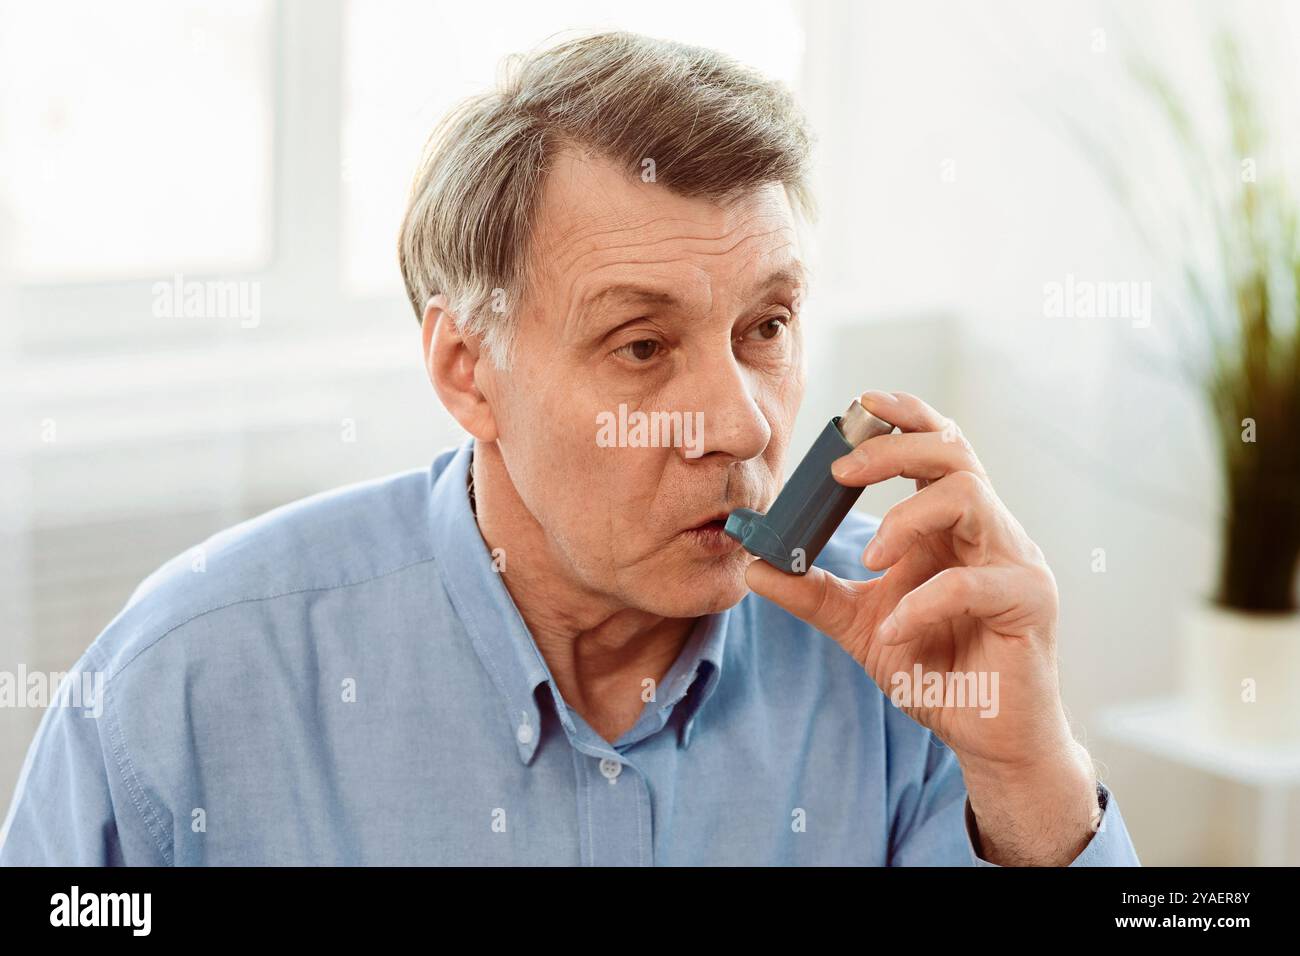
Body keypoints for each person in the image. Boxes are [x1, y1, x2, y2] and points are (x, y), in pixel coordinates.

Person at [0, 31, 1139, 866]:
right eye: (642, 346)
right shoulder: (184, 684)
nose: (743, 425)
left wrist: (1028, 775)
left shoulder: (909, 650)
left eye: (766, 328)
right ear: (468, 371)